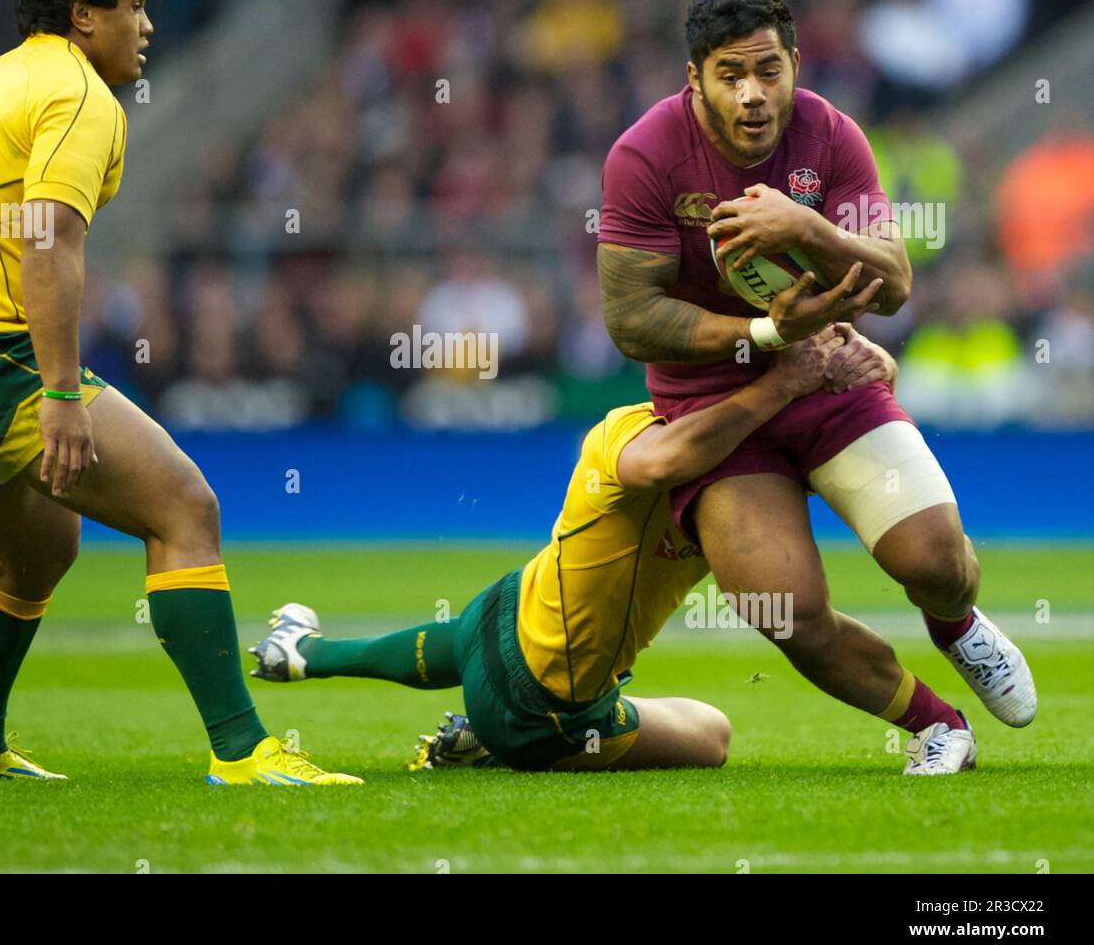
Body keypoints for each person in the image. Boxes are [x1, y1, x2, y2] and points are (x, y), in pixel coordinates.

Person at [0, 0, 358, 788]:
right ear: (86, 16)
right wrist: (60, 394)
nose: (148, 25)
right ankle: (243, 752)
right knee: (186, 508)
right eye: (137, 6)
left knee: (38, 553)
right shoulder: (80, 95)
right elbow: (47, 240)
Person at [594, 0, 1035, 775]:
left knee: (934, 563)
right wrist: (767, 332)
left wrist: (807, 227)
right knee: (785, 609)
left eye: (769, 70)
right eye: (731, 74)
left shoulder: (832, 137)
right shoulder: (645, 156)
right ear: (694, 79)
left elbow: (895, 284)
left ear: (794, 62)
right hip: (719, 413)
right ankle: (940, 726)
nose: (754, 94)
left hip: (832, 380)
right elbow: (630, 319)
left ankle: (957, 625)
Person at [251, 327, 966, 775]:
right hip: (546, 711)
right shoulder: (633, 439)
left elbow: (838, 463)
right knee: (712, 734)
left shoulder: (740, 473)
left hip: (502, 614)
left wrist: (866, 383)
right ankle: (489, 740)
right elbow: (666, 463)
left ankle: (303, 652)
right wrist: (787, 383)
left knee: (467, 639)